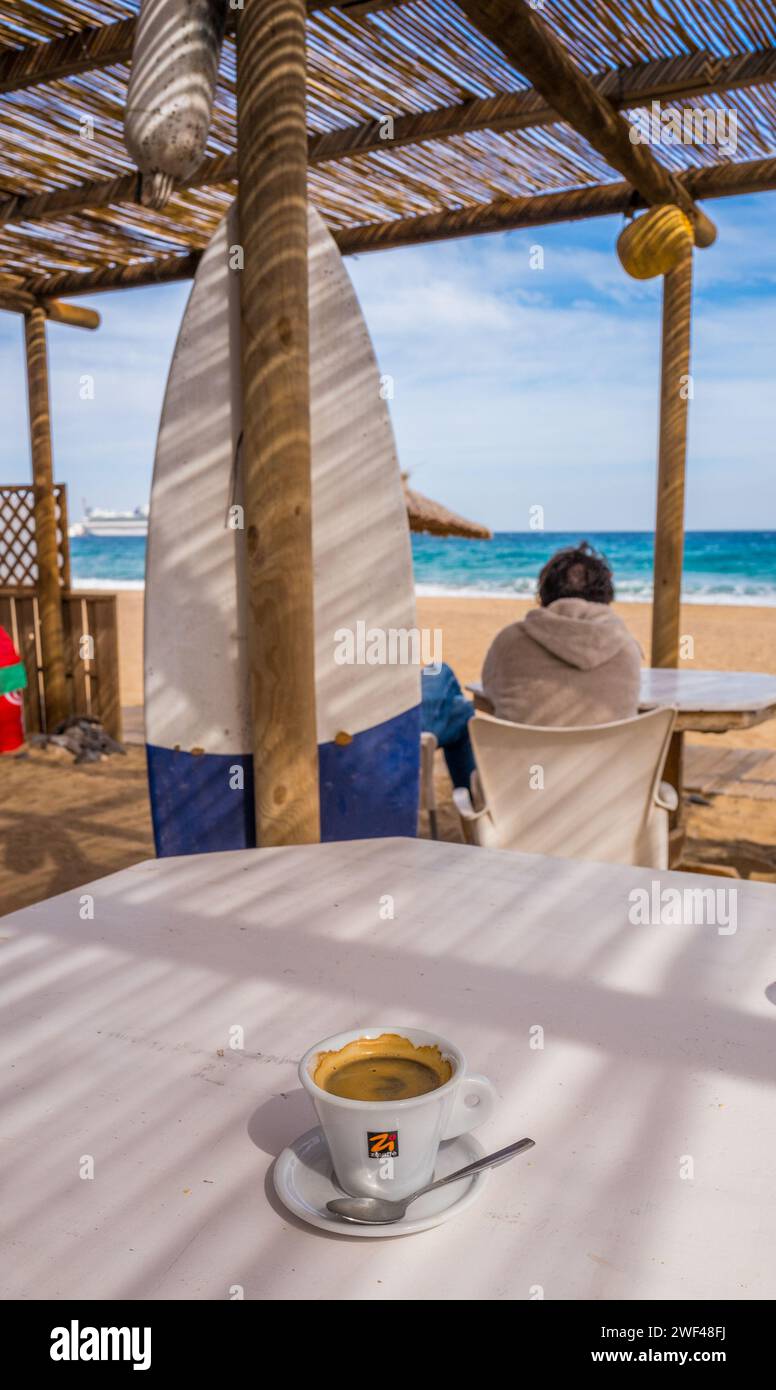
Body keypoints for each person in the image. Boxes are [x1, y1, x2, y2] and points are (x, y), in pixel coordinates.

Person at [482, 541, 641, 726]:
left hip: (526, 755)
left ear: (544, 593)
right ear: (606, 595)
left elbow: (491, 692)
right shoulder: (626, 649)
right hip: (610, 755)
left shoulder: (510, 641)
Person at [420, 662, 475, 790]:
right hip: (393, 735)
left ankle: (468, 796)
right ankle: (469, 795)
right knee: (438, 668)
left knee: (461, 710)